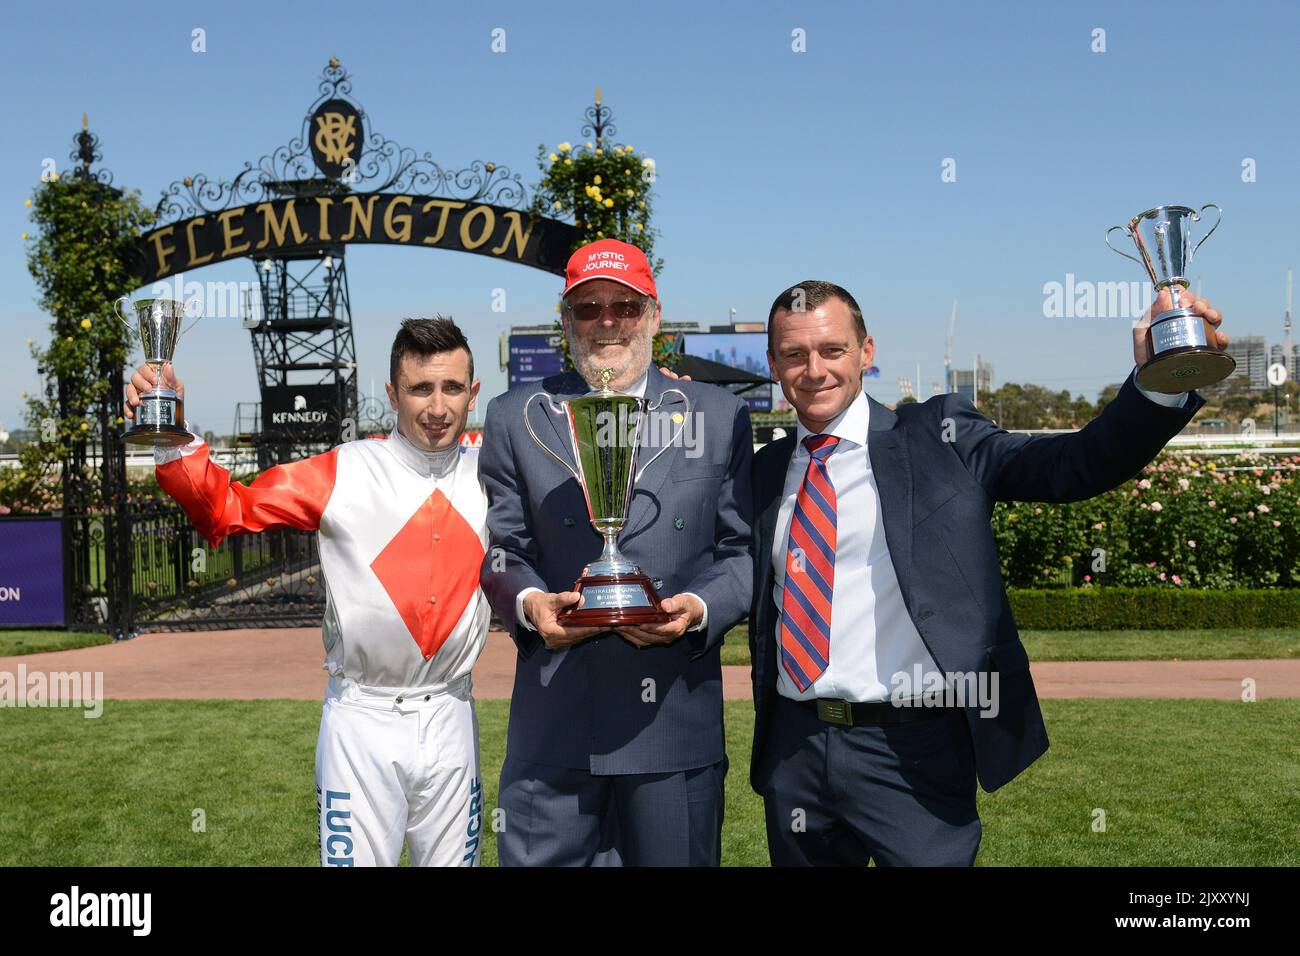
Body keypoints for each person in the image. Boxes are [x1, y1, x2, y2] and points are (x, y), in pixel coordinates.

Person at [749, 281, 1222, 866]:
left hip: (912, 750)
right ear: (773, 364)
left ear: (866, 352)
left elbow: (1069, 466)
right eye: (794, 355)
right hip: (795, 748)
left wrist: (1158, 382)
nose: (814, 370)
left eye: (832, 350)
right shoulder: (765, 470)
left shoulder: (940, 436)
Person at [125, 317, 491, 867]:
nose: (438, 407)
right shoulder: (343, 470)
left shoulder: (496, 474)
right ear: (392, 394)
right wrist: (169, 433)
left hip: (451, 716)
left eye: (452, 388)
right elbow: (228, 509)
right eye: (420, 389)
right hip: (360, 721)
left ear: (473, 392)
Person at [478, 238, 753, 866]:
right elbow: (502, 549)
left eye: (624, 307)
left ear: (653, 316)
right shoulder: (515, 415)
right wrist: (528, 603)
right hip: (553, 731)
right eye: (588, 308)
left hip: (671, 731)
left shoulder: (716, 415)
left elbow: (741, 553)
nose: (607, 322)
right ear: (566, 321)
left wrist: (697, 609)